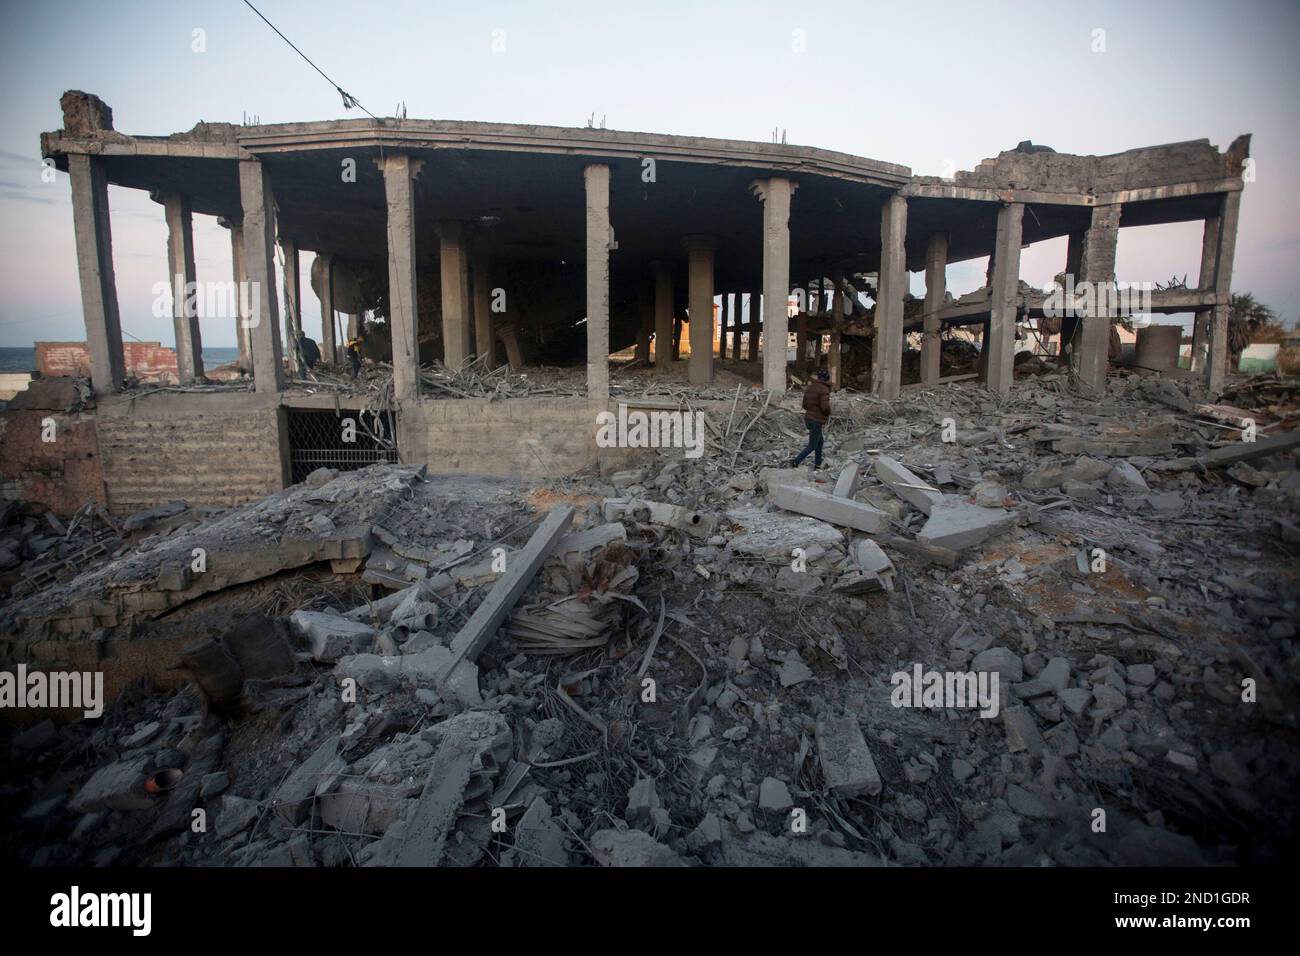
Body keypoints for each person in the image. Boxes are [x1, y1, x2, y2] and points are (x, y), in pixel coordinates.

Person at [792, 368, 831, 469]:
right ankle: (796, 461)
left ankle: (818, 464)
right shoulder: (824, 389)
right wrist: (827, 413)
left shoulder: (810, 388)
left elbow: (804, 405)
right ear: (827, 378)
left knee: (820, 442)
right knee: (812, 445)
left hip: (809, 418)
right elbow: (825, 407)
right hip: (816, 420)